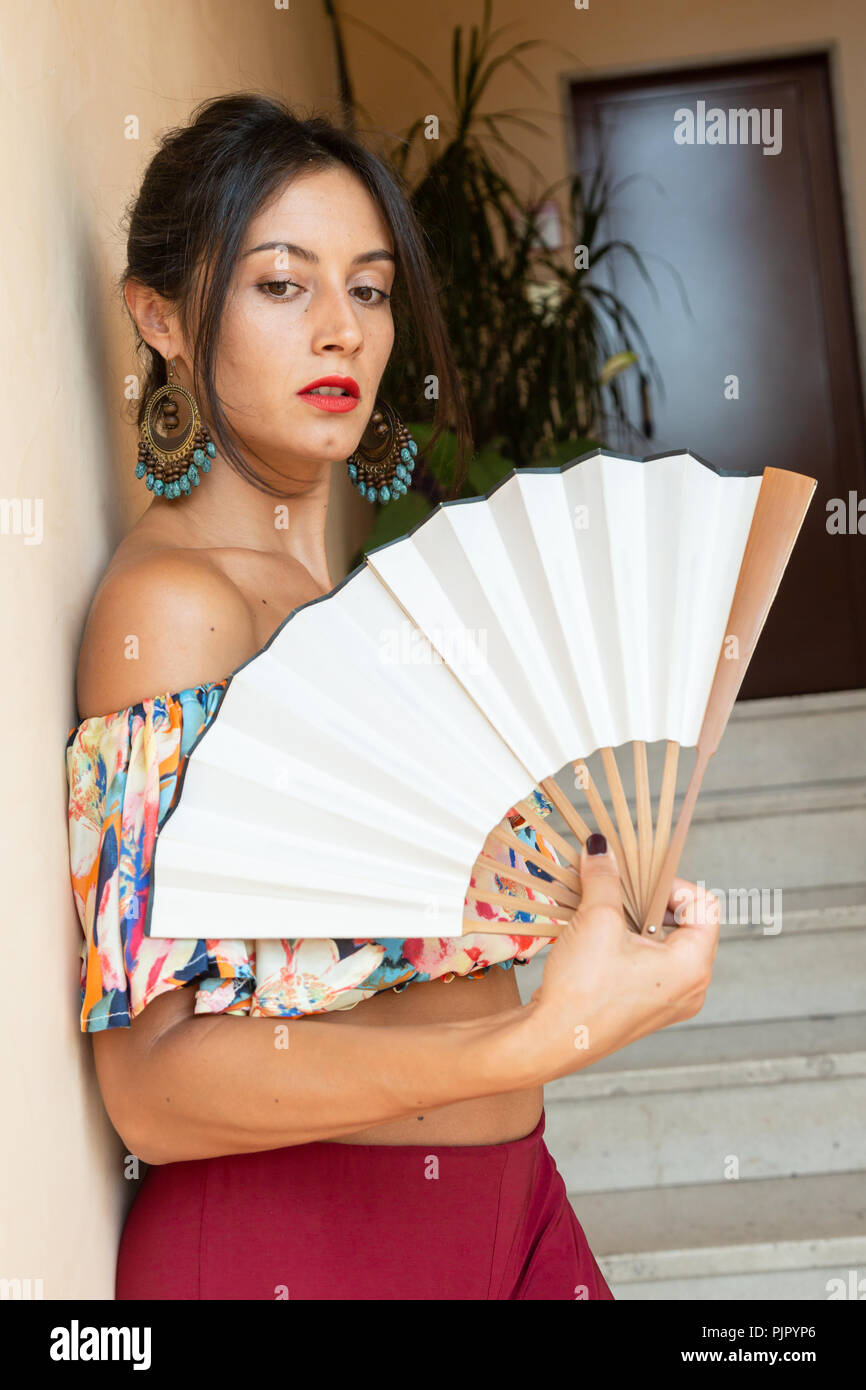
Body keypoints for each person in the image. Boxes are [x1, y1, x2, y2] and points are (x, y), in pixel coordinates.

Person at [66, 92, 720, 1301]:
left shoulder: (349, 599)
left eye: (367, 289)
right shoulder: (176, 609)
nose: (341, 332)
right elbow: (150, 1086)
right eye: (282, 284)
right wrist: (537, 1037)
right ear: (159, 316)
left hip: (508, 1203)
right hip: (304, 1244)